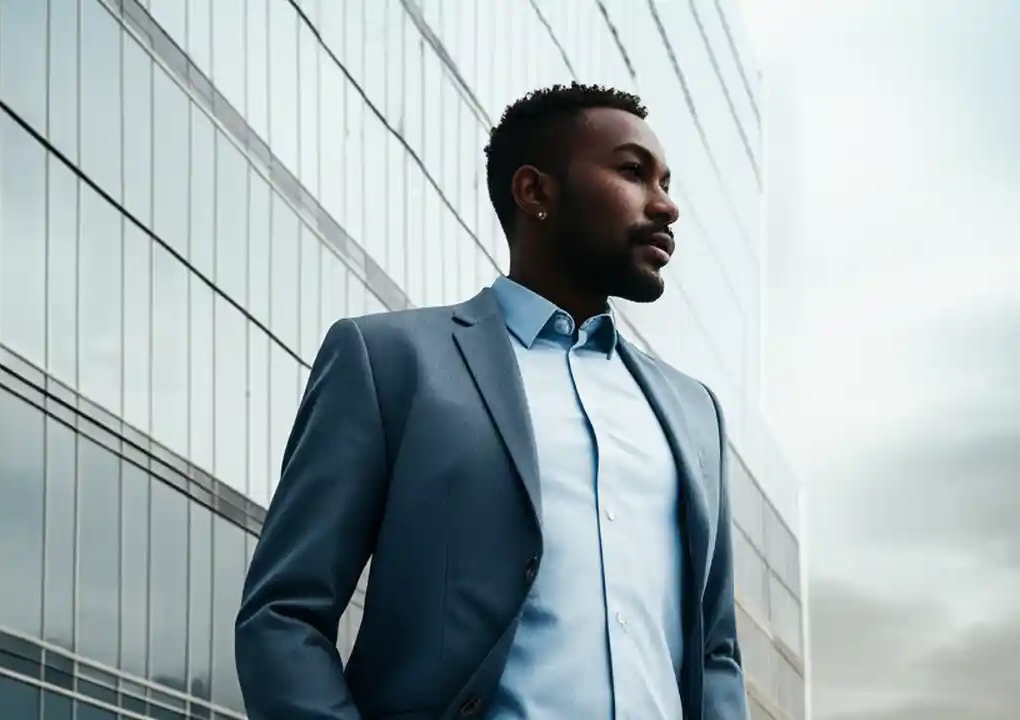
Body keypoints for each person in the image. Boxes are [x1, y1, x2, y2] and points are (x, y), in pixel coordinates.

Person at [235, 82, 748, 720]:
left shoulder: (694, 412)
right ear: (535, 192)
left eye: (666, 182)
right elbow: (284, 615)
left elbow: (714, 653)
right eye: (633, 173)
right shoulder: (390, 361)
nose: (666, 206)